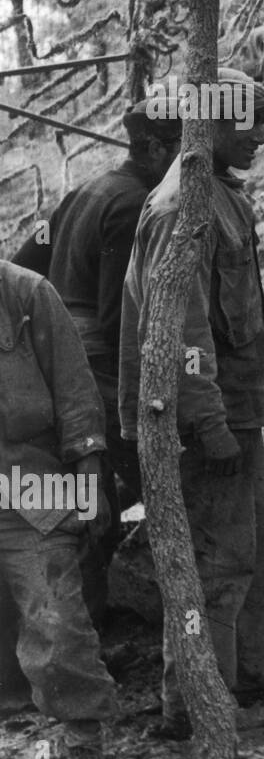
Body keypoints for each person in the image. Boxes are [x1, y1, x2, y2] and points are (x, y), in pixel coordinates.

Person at [118, 68, 264, 739]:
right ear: (210, 128)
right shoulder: (183, 211)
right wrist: (210, 426)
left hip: (239, 413)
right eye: (246, 124)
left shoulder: (219, 195)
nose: (260, 135)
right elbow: (179, 338)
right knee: (218, 560)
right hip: (206, 423)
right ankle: (198, 701)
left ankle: (250, 671)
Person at [11, 101, 182, 628]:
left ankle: (87, 620)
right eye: (180, 150)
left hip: (57, 357)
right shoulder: (136, 204)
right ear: (155, 148)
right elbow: (119, 316)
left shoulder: (87, 189)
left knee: (87, 494)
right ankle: (90, 626)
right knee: (114, 491)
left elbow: (20, 263)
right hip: (97, 367)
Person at [0, 258, 126, 759]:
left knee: (58, 617)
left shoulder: (27, 295)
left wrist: (88, 491)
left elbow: (78, 401)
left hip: (29, 484)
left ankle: (84, 751)